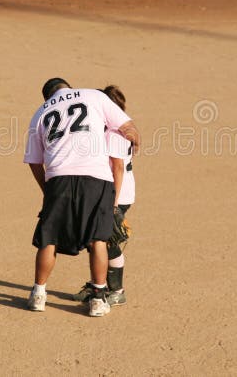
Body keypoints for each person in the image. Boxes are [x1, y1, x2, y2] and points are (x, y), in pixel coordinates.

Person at [23, 77, 140, 317]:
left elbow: (34, 162)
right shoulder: (93, 96)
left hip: (58, 177)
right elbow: (128, 127)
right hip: (96, 176)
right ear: (69, 86)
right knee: (98, 239)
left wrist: (49, 190)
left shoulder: (40, 113)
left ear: (48, 97)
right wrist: (135, 142)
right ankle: (98, 298)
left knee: (49, 238)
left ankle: (38, 294)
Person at [73, 85, 135, 307]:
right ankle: (98, 284)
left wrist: (114, 204)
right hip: (107, 192)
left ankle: (116, 290)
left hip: (117, 194)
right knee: (97, 240)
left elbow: (117, 167)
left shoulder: (114, 134)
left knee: (108, 241)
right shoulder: (111, 130)